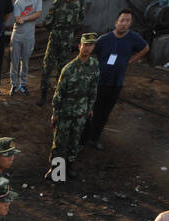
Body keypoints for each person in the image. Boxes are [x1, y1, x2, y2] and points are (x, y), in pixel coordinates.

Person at [81, 11, 149, 149]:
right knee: (91, 111)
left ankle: (95, 138)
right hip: (99, 81)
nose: (124, 24)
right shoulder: (104, 39)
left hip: (116, 83)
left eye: (127, 21)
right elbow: (88, 52)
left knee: (105, 113)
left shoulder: (133, 38)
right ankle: (83, 140)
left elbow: (145, 48)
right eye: (122, 20)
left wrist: (129, 62)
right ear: (116, 22)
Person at [46, 33, 100, 182]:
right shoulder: (68, 69)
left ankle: (69, 168)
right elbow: (59, 93)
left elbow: (93, 89)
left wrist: (90, 107)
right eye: (85, 45)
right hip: (65, 112)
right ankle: (57, 172)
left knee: (74, 142)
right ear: (79, 46)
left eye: (91, 45)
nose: (88, 48)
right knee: (59, 143)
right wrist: (55, 113)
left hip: (81, 112)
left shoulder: (94, 66)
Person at [40, 0, 87, 104]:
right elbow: (48, 20)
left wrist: (69, 28)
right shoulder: (58, 2)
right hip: (55, 38)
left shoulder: (80, 3)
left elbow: (81, 19)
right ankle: (43, 94)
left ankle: (59, 94)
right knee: (48, 65)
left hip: (67, 39)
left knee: (63, 68)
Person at [9, 0, 43, 94]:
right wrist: (29, 17)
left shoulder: (37, 1)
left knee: (25, 61)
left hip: (29, 36)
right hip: (17, 36)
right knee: (15, 60)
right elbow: (18, 19)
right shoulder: (18, 3)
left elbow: (38, 14)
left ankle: (23, 84)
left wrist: (25, 18)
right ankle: (14, 85)